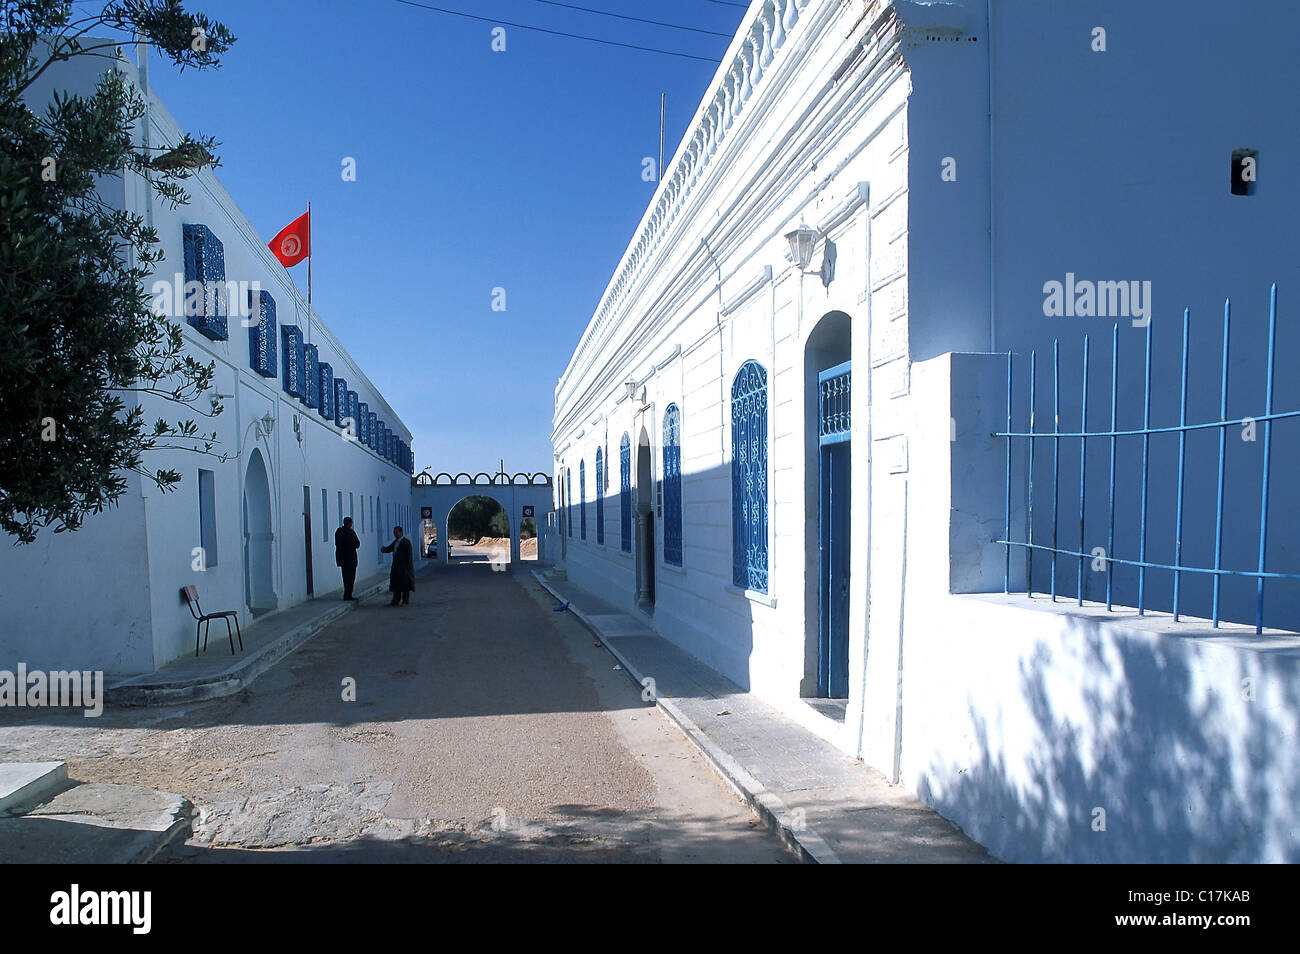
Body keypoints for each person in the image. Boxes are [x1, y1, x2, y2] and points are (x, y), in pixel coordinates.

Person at [381, 525, 415, 606]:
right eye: (394, 532)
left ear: (401, 532)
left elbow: (409, 556)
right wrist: (384, 549)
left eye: (396, 532)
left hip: (404, 568)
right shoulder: (395, 542)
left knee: (405, 585)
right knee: (396, 584)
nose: (395, 534)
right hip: (396, 567)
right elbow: (390, 548)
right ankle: (395, 600)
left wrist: (408, 568)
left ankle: (405, 601)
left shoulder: (406, 542)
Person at [334, 516, 361, 600]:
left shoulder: (338, 532)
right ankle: (348, 594)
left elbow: (337, 544)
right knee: (351, 577)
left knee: (345, 576)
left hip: (342, 558)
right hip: (351, 558)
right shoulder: (351, 532)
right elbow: (357, 544)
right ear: (350, 524)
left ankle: (346, 593)